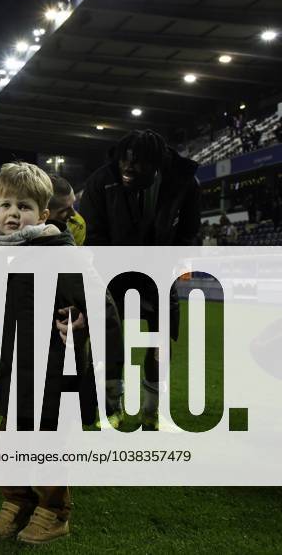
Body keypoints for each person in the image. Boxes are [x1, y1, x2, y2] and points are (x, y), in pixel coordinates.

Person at [0, 162, 116, 544]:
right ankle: (17, 501)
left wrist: (85, 320)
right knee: (10, 440)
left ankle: (55, 511)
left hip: (53, 368)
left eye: (24, 206)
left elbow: (102, 305)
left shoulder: (59, 252)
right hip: (14, 369)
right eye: (6, 205)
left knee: (48, 442)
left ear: (44, 214)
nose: (13, 213)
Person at [79, 129, 200, 430]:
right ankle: (109, 407)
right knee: (107, 343)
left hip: (158, 274)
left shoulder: (184, 183)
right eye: (124, 162)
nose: (128, 168)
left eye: (137, 163)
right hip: (111, 275)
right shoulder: (100, 181)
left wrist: (169, 259)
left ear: (158, 164)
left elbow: (189, 232)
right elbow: (92, 235)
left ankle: (150, 411)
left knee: (160, 344)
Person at [47, 175, 85, 246]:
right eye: (64, 210)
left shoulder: (78, 224)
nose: (73, 214)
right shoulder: (23, 224)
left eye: (73, 204)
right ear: (43, 213)